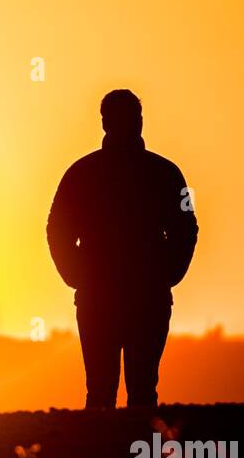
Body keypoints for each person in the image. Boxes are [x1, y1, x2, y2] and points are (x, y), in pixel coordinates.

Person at [47, 89, 197, 408]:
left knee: (140, 391)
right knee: (102, 391)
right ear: (105, 123)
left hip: (143, 298)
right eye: (125, 118)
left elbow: (186, 228)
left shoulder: (163, 173)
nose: (133, 125)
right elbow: (57, 229)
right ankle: (106, 455)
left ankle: (128, 455)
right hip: (103, 298)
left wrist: (168, 276)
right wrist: (77, 277)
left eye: (136, 118)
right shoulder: (84, 174)